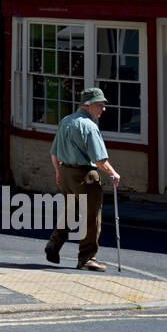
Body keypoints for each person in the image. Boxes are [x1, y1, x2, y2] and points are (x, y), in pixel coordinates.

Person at [45, 87, 120, 271]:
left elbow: (54, 153)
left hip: (65, 172)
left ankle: (54, 245)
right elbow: (99, 160)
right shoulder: (89, 126)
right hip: (85, 175)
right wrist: (113, 173)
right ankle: (86, 258)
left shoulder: (66, 121)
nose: (104, 109)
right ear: (89, 105)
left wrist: (58, 172)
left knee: (72, 211)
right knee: (92, 217)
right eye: (100, 105)